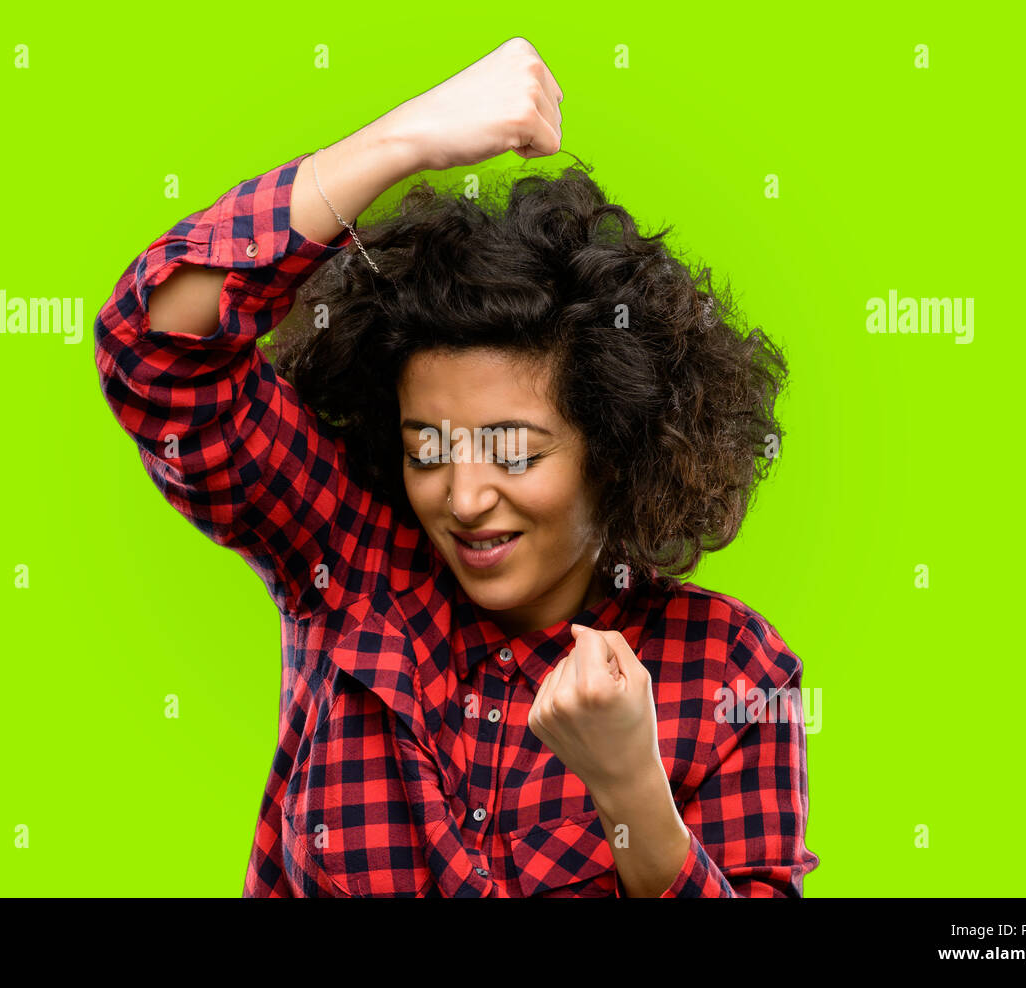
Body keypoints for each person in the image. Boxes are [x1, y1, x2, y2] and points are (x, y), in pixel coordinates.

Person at [94, 37, 819, 896]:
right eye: (426, 451)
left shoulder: (731, 670)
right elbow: (157, 351)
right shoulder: (350, 566)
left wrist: (631, 791)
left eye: (514, 451)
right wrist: (405, 140)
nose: (466, 498)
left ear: (615, 447)